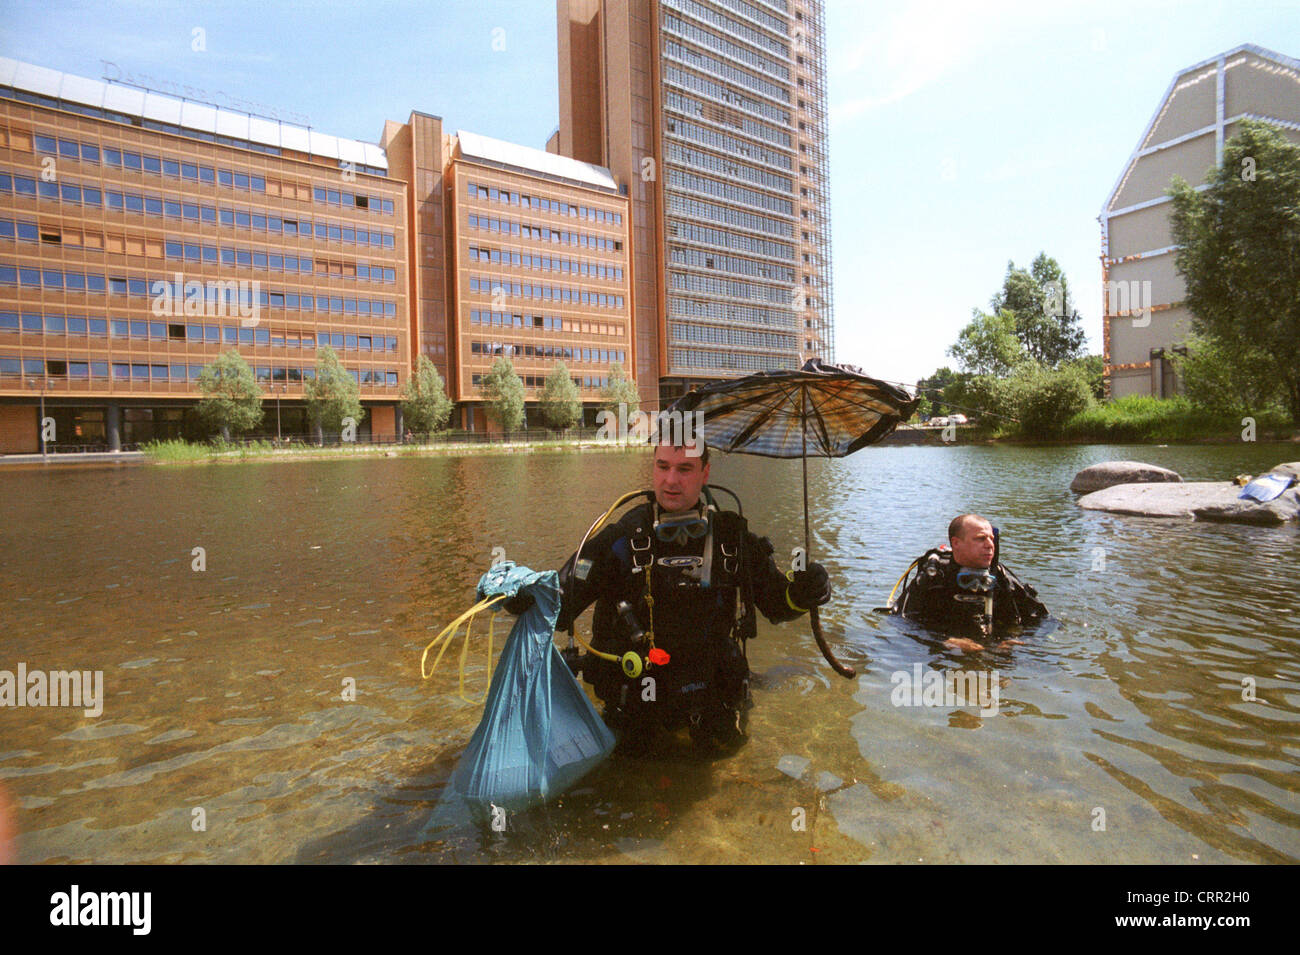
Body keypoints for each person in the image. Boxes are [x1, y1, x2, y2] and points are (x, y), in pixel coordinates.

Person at [548, 438, 831, 753]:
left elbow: (779, 605)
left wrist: (806, 591)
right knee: (631, 769)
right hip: (636, 705)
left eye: (685, 469)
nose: (671, 480)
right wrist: (525, 594)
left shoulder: (731, 538)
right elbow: (560, 603)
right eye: (663, 466)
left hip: (710, 702)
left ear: (705, 472)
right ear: (652, 466)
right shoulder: (623, 538)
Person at [890, 513, 1047, 650]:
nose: (990, 545)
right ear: (956, 543)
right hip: (946, 651)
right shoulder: (934, 577)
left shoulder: (1001, 577)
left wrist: (1021, 640)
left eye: (991, 539)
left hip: (993, 646)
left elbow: (1045, 621)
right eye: (980, 539)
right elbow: (899, 622)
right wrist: (944, 641)